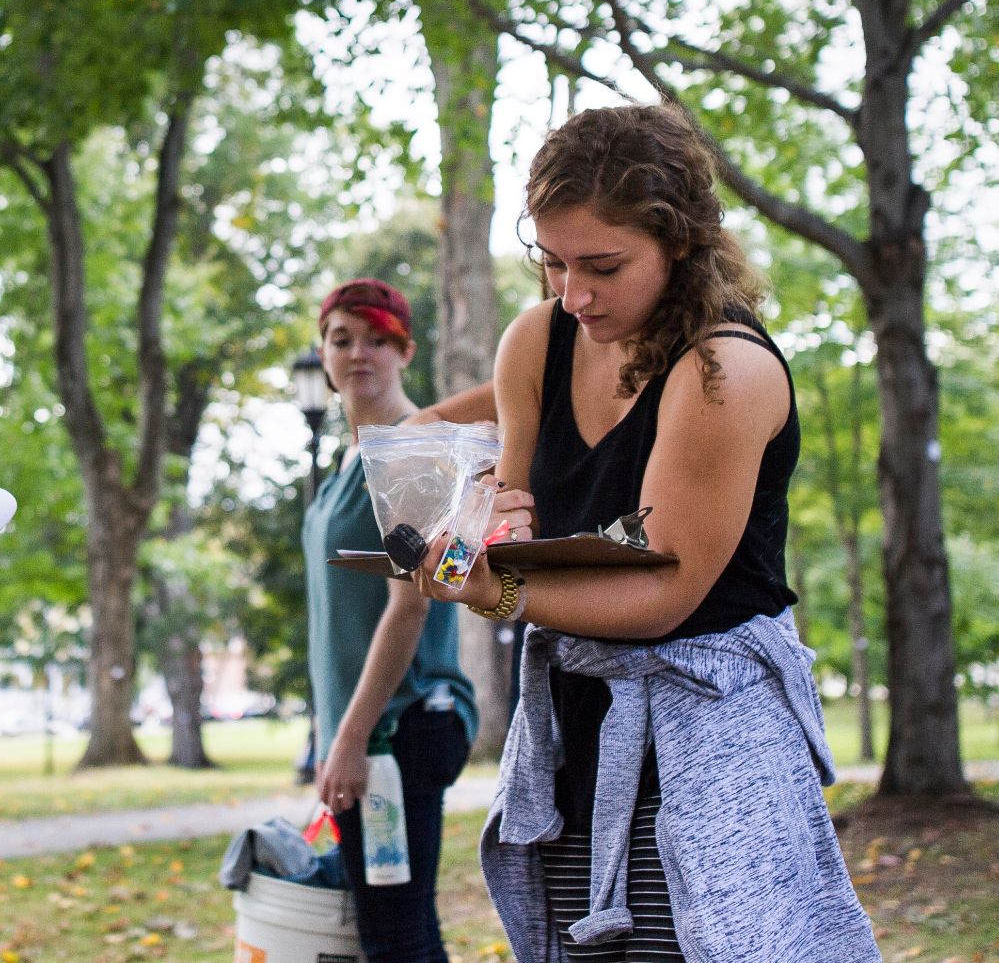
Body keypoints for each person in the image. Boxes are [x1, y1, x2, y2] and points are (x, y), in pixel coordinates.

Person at [416, 104, 879, 961]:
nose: (573, 293)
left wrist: (502, 592)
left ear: (680, 243)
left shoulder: (723, 371)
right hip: (574, 725)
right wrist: (465, 536)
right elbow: (511, 518)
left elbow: (663, 594)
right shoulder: (533, 341)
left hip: (709, 734)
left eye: (602, 265)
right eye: (551, 262)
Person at [302, 278, 484, 962]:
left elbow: (407, 607)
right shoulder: (348, 459)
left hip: (400, 725)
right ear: (321, 353)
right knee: (388, 932)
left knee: (397, 937)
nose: (358, 353)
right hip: (363, 732)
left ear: (405, 350)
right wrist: (331, 734)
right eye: (340, 338)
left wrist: (350, 739)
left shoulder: (410, 450)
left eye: (377, 338)